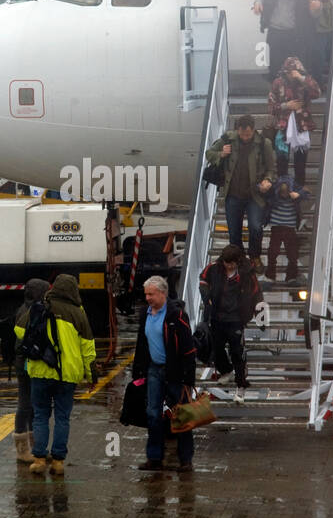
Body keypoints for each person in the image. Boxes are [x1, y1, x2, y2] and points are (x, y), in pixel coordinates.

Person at [15, 273, 96, 476]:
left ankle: (39, 459)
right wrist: (90, 376)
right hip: (67, 374)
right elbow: (88, 348)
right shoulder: (79, 312)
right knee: (62, 418)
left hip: (41, 372)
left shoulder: (40, 307)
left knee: (40, 416)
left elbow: (18, 330)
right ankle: (58, 462)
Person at [132, 276, 198, 472]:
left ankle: (186, 459)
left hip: (175, 372)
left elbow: (188, 348)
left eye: (151, 294)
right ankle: (154, 457)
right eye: (146, 294)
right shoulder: (146, 313)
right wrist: (138, 370)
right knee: (153, 414)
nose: (147, 298)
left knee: (180, 415)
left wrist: (188, 379)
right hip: (153, 369)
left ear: (162, 293)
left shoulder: (176, 315)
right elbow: (141, 343)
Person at [206, 114, 276, 262]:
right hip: (232, 194)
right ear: (238, 129)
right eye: (242, 134)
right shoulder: (228, 139)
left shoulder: (264, 143)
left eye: (248, 134)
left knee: (256, 227)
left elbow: (271, 169)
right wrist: (221, 153)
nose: (245, 137)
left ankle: (255, 256)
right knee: (234, 232)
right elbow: (209, 154)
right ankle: (239, 259)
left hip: (254, 195)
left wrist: (268, 180)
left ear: (253, 130)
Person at [199, 244, 265, 391]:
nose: (228, 266)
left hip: (236, 318)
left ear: (238, 261)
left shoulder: (247, 273)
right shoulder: (213, 268)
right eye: (226, 263)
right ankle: (225, 371)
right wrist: (206, 297)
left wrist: (260, 316)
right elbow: (203, 281)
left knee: (237, 349)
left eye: (231, 263)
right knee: (216, 348)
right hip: (216, 316)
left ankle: (241, 378)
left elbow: (257, 294)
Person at [11, 278, 51, 463]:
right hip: (25, 365)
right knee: (25, 405)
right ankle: (22, 450)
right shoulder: (27, 312)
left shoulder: (28, 308)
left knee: (32, 405)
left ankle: (36, 447)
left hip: (30, 364)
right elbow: (23, 342)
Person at [267, 57, 321, 188]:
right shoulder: (278, 83)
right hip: (282, 127)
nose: (291, 74)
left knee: (300, 163)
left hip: (301, 125)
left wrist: (301, 78)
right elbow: (271, 106)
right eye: (289, 72)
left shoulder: (305, 82)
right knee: (281, 162)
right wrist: (287, 105)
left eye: (294, 72)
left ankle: (298, 192)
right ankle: (282, 193)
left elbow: (317, 93)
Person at [266, 173, 310, 285]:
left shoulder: (293, 194)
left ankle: (291, 276)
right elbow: (264, 191)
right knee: (272, 252)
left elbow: (306, 192)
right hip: (276, 227)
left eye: (286, 191)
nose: (284, 194)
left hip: (290, 228)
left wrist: (298, 194)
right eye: (282, 192)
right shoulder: (274, 195)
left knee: (292, 254)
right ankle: (271, 275)